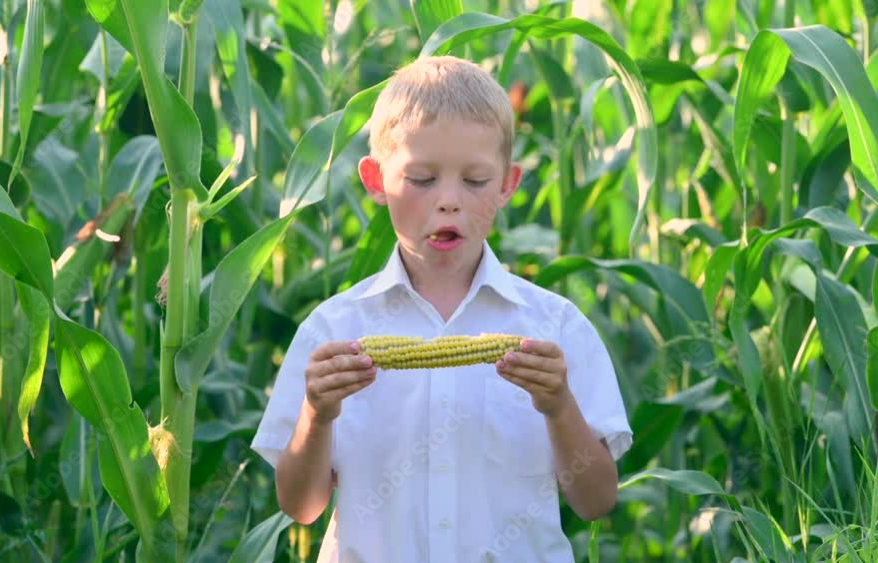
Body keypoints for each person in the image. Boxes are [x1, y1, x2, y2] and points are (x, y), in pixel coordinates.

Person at [251, 55, 633, 563]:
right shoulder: (334, 329)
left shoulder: (554, 327)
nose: (449, 201)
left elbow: (596, 501)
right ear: (375, 180)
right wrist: (316, 416)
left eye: (475, 181)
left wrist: (560, 406)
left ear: (507, 185)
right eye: (422, 179)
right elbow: (300, 507)